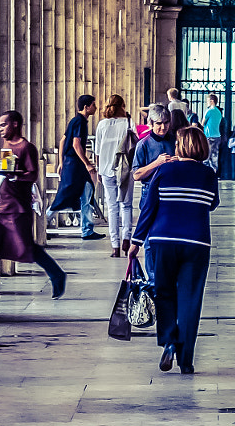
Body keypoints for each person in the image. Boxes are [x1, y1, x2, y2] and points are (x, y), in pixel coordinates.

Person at [128, 125, 219, 375]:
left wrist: (136, 241)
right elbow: (212, 204)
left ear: (182, 146)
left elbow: (149, 206)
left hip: (163, 239)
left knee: (164, 292)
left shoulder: (165, 169)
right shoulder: (209, 174)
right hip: (197, 243)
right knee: (191, 299)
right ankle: (186, 360)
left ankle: (169, 341)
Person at [0, 109, 67, 301]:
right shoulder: (6, 145)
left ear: (15, 124)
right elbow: (8, 170)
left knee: (26, 248)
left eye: (3, 125)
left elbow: (32, 175)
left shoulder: (27, 147)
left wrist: (15, 174)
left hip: (18, 207)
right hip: (1, 204)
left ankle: (56, 273)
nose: (0, 129)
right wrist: (1, 168)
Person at [49, 93, 101, 237]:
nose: (95, 108)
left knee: (87, 192)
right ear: (87, 107)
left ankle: (87, 229)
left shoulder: (74, 120)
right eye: (93, 105)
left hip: (71, 163)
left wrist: (61, 162)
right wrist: (88, 163)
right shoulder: (80, 122)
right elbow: (76, 144)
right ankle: (44, 220)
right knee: (64, 196)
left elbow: (62, 141)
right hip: (75, 165)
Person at [92, 93, 136, 257]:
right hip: (125, 169)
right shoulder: (129, 122)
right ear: (122, 106)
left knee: (112, 207)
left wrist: (98, 169)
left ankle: (115, 246)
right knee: (126, 205)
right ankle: (127, 238)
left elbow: (97, 150)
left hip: (106, 169)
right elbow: (134, 146)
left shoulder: (102, 124)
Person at [131, 101, 176, 232]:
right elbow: (136, 175)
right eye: (158, 123)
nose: (163, 127)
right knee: (150, 232)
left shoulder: (175, 140)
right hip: (150, 191)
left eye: (166, 122)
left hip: (171, 190)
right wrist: (157, 163)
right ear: (151, 123)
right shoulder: (143, 144)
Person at [202, 92, 224, 171]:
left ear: (212, 101)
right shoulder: (218, 112)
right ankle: (214, 172)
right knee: (215, 155)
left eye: (208, 101)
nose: (207, 102)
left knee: (207, 156)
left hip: (209, 135)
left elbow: (203, 122)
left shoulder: (209, 111)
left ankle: (206, 172)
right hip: (217, 135)